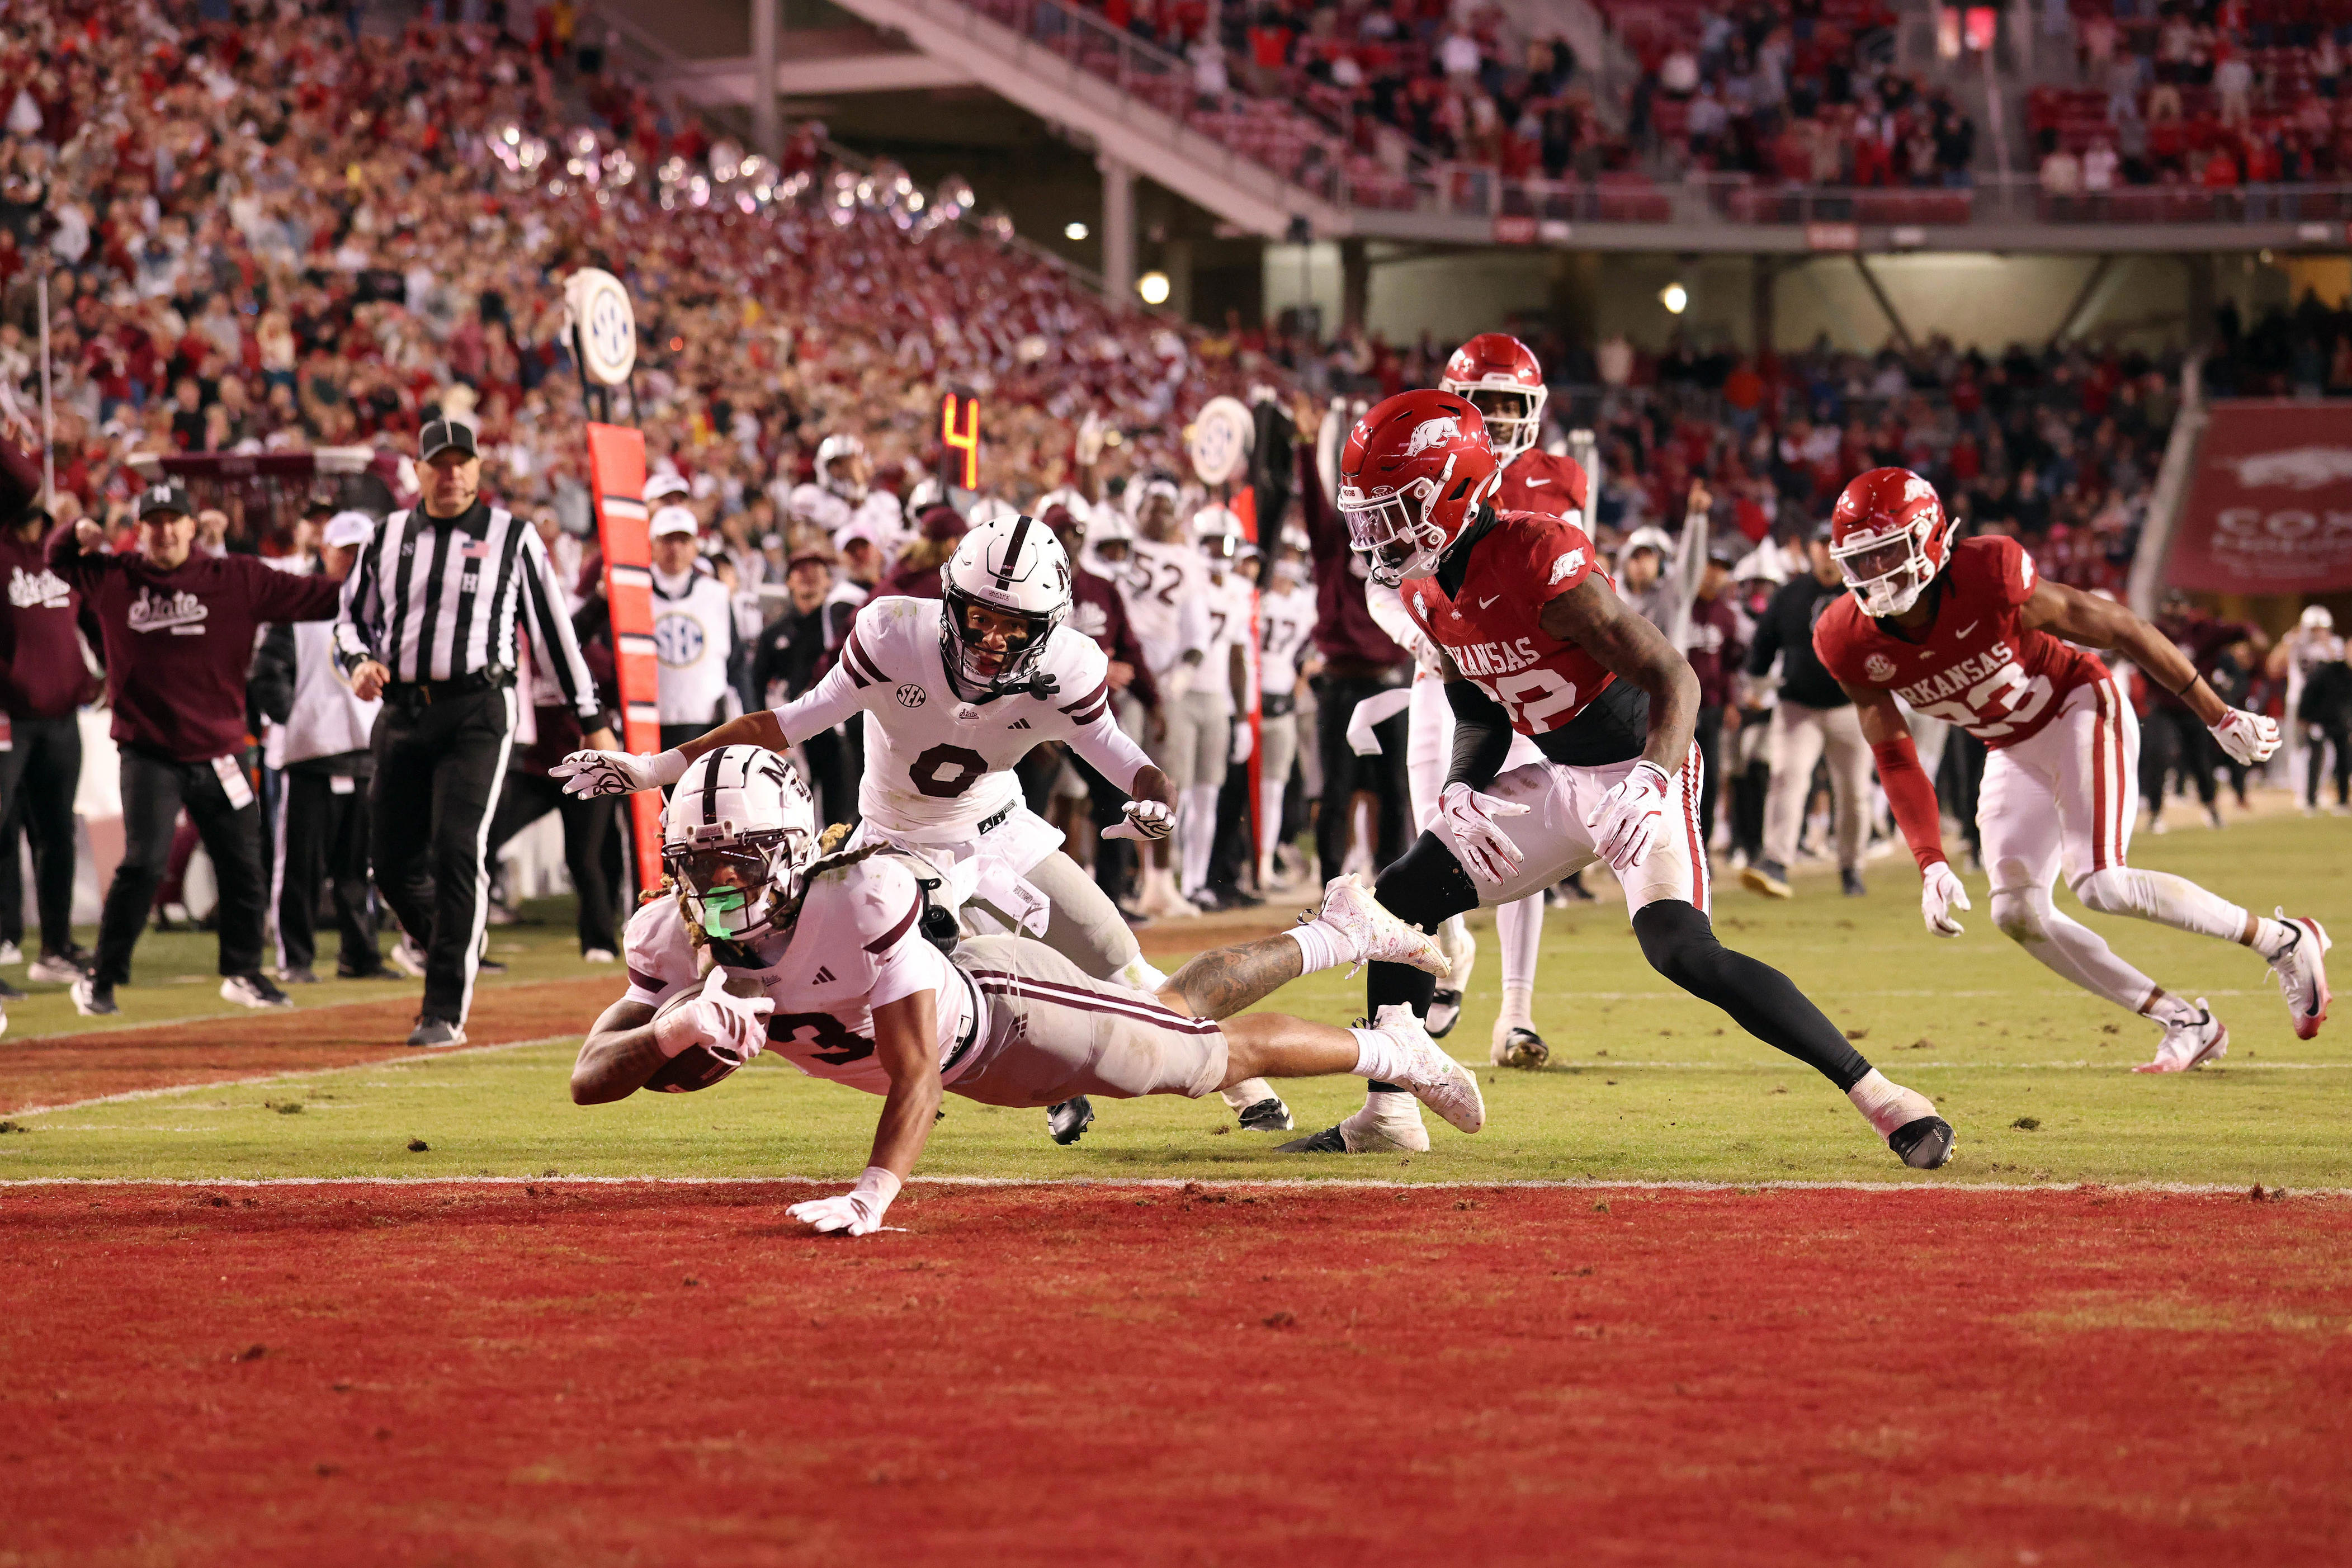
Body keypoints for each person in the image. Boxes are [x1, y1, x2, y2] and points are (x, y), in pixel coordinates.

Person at [1282, 391, 1954, 1169]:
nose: (1379, 535)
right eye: (1369, 515)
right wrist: (1462, 785)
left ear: (1457, 490)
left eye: (1395, 511)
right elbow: (1478, 704)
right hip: (1557, 776)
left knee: (1679, 950)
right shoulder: (1426, 590)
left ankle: (1884, 1099)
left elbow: (1675, 678)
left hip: (1639, 769)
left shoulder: (1538, 557)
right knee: (1398, 900)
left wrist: (1649, 777)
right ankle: (1387, 1113)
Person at [554, 511, 1293, 1139]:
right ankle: (1005, 1077)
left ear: (1047, 628)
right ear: (948, 602)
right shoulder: (889, 635)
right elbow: (782, 724)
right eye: (979, 615)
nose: (992, 638)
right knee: (934, 971)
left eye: (1014, 625)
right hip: (894, 845)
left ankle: (1238, 1084)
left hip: (1000, 825)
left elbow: (1119, 755)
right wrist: (653, 769)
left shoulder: (1069, 666)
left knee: (1114, 954)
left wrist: (1153, 797)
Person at [568, 747, 1470, 1238]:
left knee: (1198, 1057)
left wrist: (874, 1192)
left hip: (1010, 1010)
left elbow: (916, 1068)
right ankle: (1339, 929)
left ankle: (1391, 1039)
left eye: (740, 859)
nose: (720, 885)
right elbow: (590, 1079)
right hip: (980, 1067)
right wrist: (672, 1028)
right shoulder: (672, 934)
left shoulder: (858, 897)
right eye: (699, 864)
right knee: (1179, 1014)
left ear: (795, 851)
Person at [1815, 467, 2331, 1071]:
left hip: (2077, 707)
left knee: (2100, 881)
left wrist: (2217, 716)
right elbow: (1895, 752)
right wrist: (1930, 861)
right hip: (2009, 745)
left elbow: (2121, 628)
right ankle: (2185, 1020)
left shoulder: (1989, 574)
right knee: (2015, 911)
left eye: (1888, 553)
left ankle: (2283, 940)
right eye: (1863, 560)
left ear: (1931, 537)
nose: (1877, 575)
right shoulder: (1846, 638)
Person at [333, 419, 612, 1047]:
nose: (451, 472)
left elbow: (553, 632)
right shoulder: (388, 536)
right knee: (390, 863)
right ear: (419, 468)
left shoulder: (513, 537)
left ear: (480, 469)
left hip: (479, 707)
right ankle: (456, 939)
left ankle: (443, 1011)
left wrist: (591, 719)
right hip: (402, 711)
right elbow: (348, 619)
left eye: (462, 461)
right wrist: (358, 664)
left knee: (459, 847)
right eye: (439, 461)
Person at [52, 483, 344, 1017]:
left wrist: (376, 580)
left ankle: (243, 971)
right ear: (139, 531)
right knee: (142, 864)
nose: (164, 530)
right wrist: (75, 531)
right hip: (150, 752)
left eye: (173, 520)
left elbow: (323, 597)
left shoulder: (235, 578)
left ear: (192, 526)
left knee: (244, 866)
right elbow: (57, 559)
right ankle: (102, 977)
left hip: (222, 752)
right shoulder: (115, 577)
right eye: (154, 521)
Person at [250, 511, 388, 983]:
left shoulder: (383, 609)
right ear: (324, 552)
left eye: (359, 553)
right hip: (309, 755)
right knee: (300, 868)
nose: (352, 562)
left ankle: (361, 955)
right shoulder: (299, 605)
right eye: (343, 552)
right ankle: (297, 959)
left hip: (366, 752)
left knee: (359, 869)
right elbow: (267, 673)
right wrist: (295, 718)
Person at [1744, 520, 1871, 899]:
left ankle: (1852, 867)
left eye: (1835, 544)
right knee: (1787, 778)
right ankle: (1777, 861)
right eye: (1821, 543)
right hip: (1798, 704)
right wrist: (1755, 683)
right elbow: (1764, 645)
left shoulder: (1863, 592)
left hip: (1851, 705)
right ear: (1809, 550)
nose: (1828, 551)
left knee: (1855, 793)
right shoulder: (1791, 595)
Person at [0, 488, 97, 984]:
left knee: (57, 833)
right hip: (7, 717)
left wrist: (99, 677)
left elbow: (93, 620)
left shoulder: (63, 560)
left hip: (61, 716)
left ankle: (55, 949)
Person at [1119, 480, 1212, 918]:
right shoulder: (1117, 545)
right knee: (1120, 778)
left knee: (1164, 783)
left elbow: (1197, 634)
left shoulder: (1188, 561)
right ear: (1135, 510)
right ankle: (1123, 880)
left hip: (1166, 684)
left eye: (1165, 509)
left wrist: (1179, 679)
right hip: (1121, 680)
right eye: (1150, 508)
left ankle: (1160, 881)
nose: (1157, 517)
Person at [644, 504, 743, 756]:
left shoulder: (717, 594)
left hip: (704, 721)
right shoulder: (634, 592)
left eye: (683, 540)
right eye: (667, 540)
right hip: (646, 721)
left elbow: (737, 662)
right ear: (653, 544)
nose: (675, 548)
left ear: (695, 546)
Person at [1255, 530, 1317, 891]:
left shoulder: (1307, 603)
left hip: (1282, 703)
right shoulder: (1255, 597)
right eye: (1286, 553)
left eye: (1296, 554)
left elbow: (1314, 650)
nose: (1289, 563)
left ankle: (1264, 863)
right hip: (1248, 702)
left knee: (1276, 788)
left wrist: (1301, 677)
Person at [1684, 536, 1749, 857]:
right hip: (1675, 708)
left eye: (1722, 569)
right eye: (1712, 565)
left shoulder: (1726, 615)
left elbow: (1727, 667)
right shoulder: (1680, 606)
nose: (1715, 574)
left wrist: (1731, 703)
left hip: (1709, 708)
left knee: (1707, 783)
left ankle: (1702, 849)